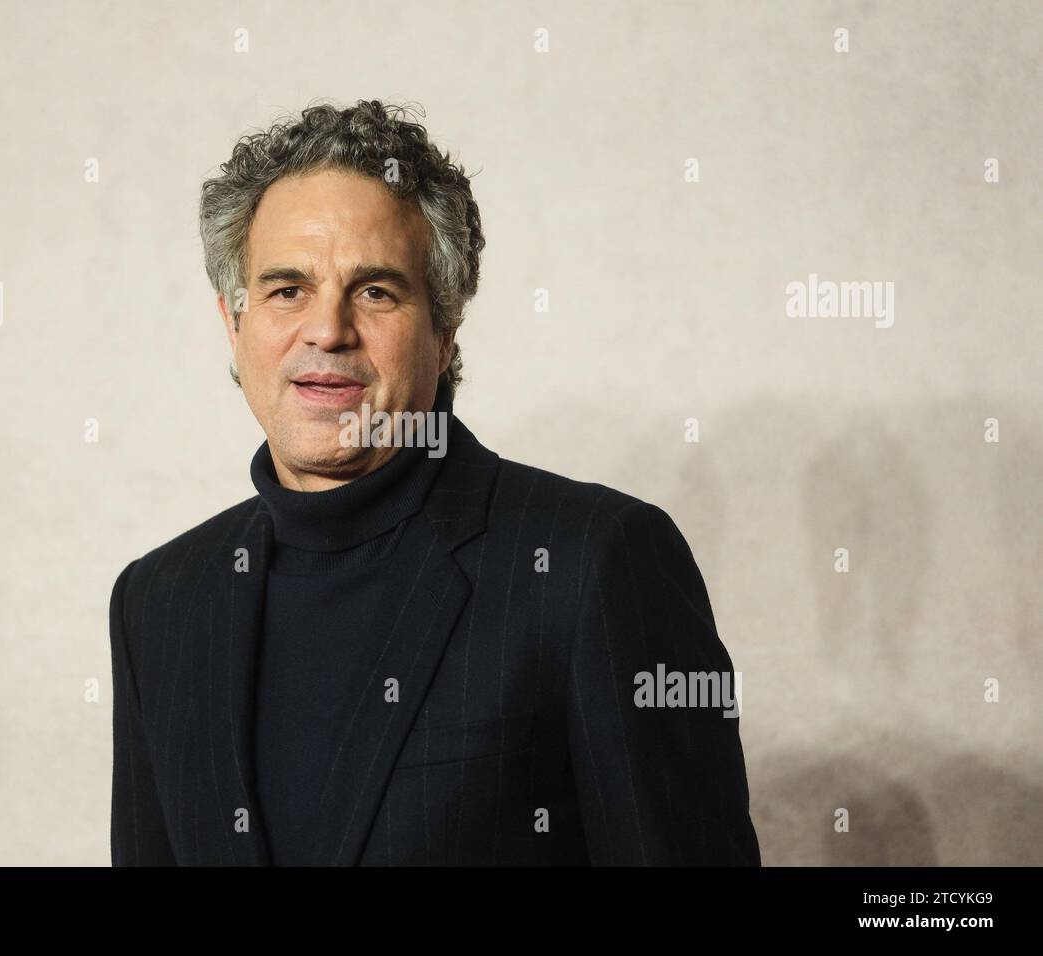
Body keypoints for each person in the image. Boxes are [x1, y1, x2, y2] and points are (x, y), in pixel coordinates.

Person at [109, 99, 760, 865]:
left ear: (445, 330)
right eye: (287, 290)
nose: (327, 330)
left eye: (376, 291)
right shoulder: (158, 601)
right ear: (233, 321)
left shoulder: (591, 563)